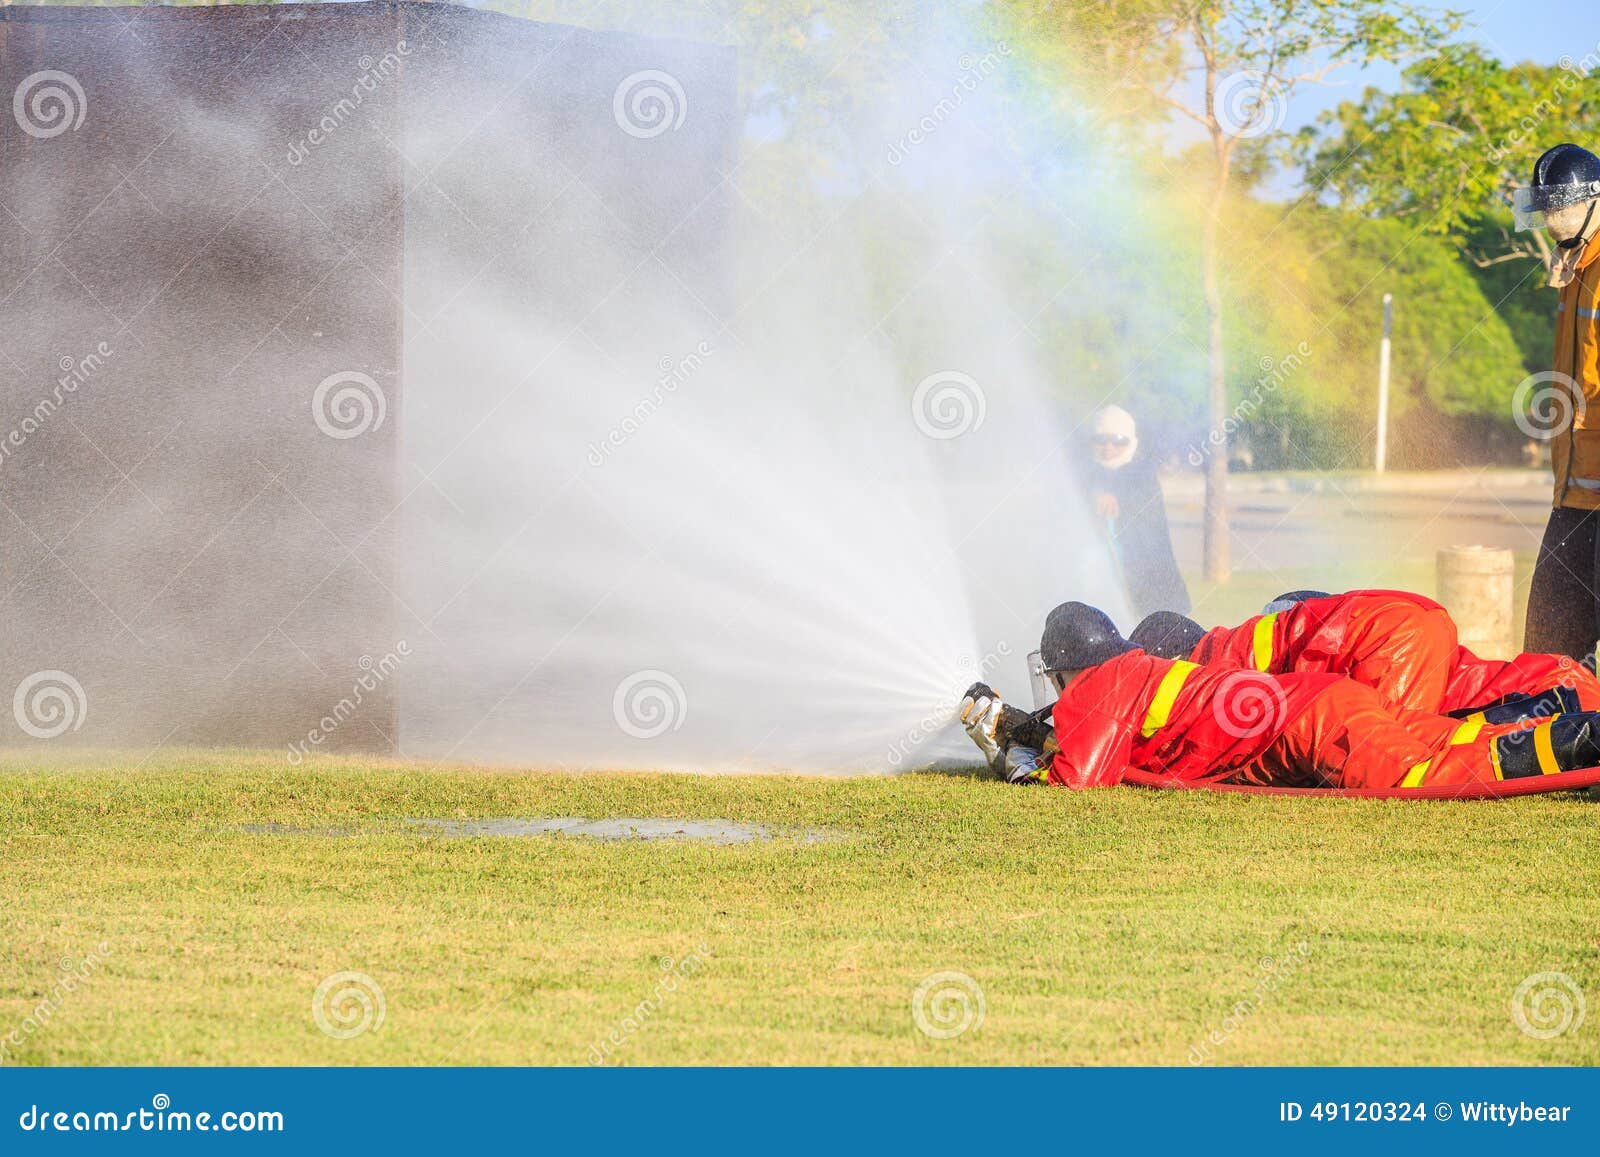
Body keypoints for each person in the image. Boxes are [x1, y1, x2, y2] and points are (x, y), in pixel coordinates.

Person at [960, 602, 1600, 791]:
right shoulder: (1138, 678)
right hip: (1324, 701)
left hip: (1314, 720)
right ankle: (1567, 730)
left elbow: (1076, 781)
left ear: (1074, 666)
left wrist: (1006, 754)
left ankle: (1582, 741)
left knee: (1420, 775)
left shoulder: (1106, 682)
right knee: (1440, 738)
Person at [1128, 590, 1600, 719]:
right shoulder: (1254, 635)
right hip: (1418, 624)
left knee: (1399, 750)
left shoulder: (1213, 663)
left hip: (1397, 639)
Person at [1518, 143, 1600, 660]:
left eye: (1563, 207)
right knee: (1545, 652)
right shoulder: (1572, 272)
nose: (1553, 219)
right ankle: (1544, 737)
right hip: (1574, 497)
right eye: (1547, 208)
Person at [1082, 405, 1189, 619]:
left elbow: (1136, 498)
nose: (1108, 447)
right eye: (1101, 440)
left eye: (1118, 440)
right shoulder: (1088, 475)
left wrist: (1112, 498)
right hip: (1105, 594)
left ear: (1131, 441)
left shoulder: (1142, 474)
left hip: (1156, 599)